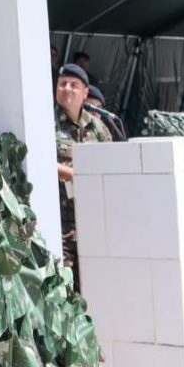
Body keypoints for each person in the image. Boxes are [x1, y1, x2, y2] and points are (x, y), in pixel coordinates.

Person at [55, 63, 112, 290]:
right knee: (65, 286)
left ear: (85, 92)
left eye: (73, 85)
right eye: (62, 84)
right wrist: (74, 175)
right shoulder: (45, 122)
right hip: (61, 223)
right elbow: (39, 160)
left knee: (96, 286)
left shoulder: (97, 126)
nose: (67, 88)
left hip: (93, 221)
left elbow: (112, 162)